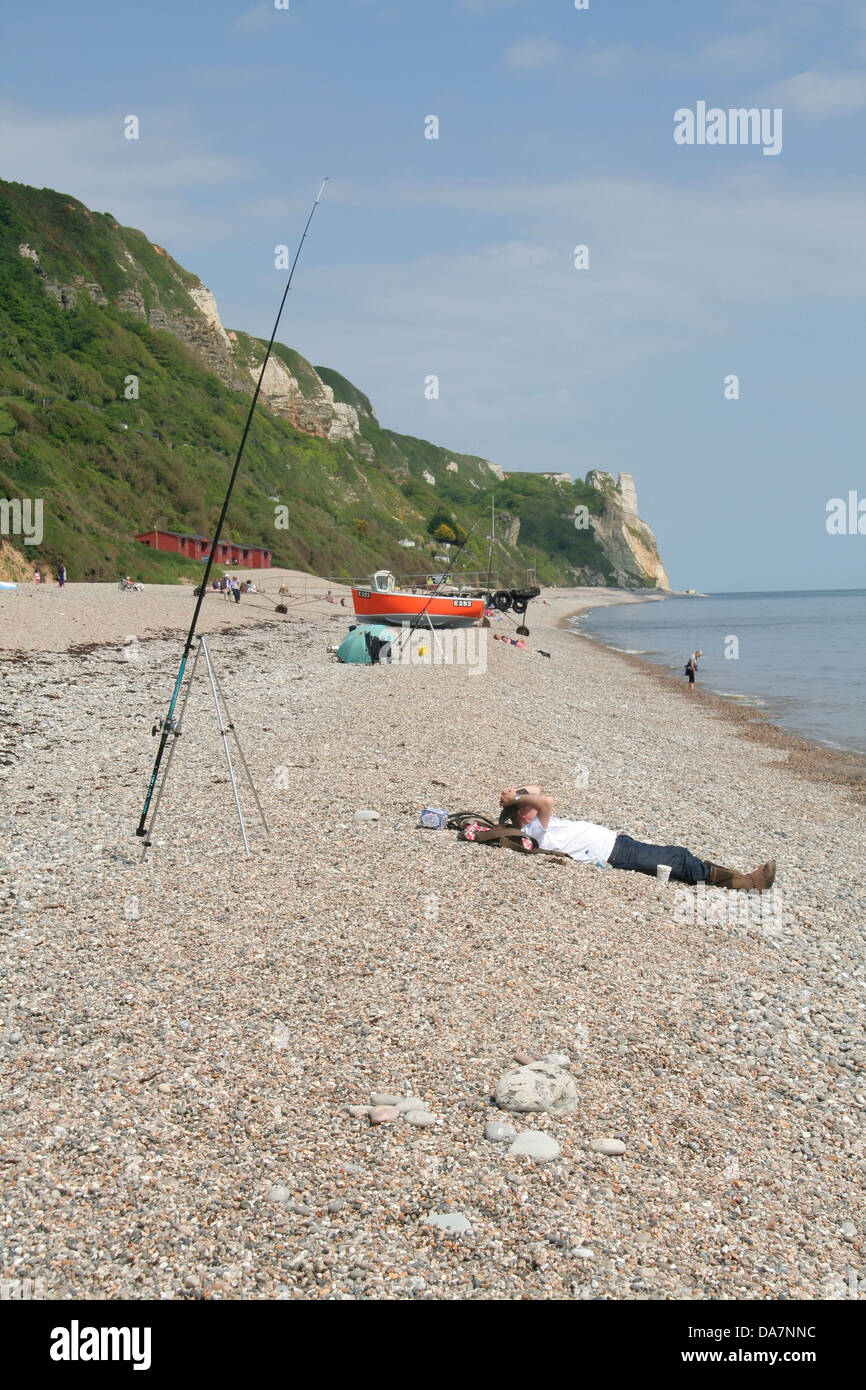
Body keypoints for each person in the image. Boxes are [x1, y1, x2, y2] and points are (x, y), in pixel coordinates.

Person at [498, 786, 775, 890]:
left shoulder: (535, 822)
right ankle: (747, 882)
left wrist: (517, 794)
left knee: (678, 855)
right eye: (525, 803)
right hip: (615, 854)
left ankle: (732, 877)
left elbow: (536, 789)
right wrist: (517, 798)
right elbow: (545, 798)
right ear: (523, 812)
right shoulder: (533, 830)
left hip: (618, 844)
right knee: (678, 859)